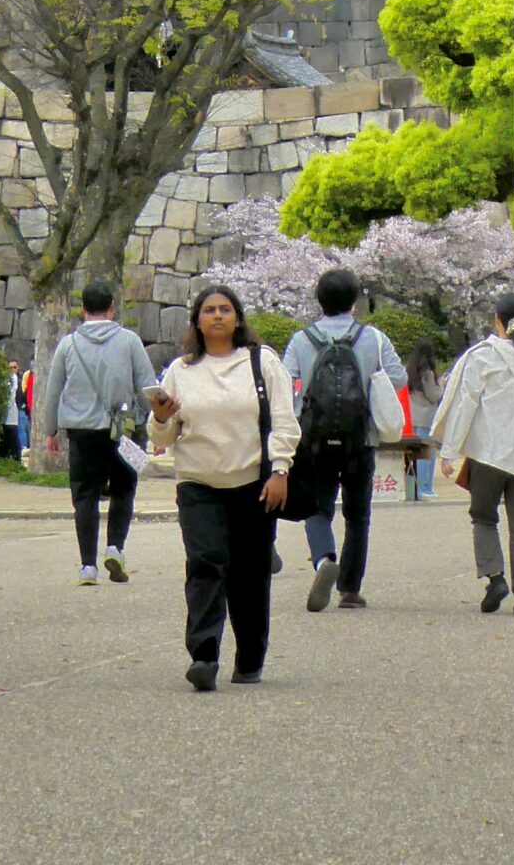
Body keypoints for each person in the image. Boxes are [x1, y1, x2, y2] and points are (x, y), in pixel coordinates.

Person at [147, 284, 297, 691]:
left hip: (253, 483)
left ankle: (250, 659)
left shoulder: (261, 362)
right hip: (198, 483)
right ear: (197, 321)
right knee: (205, 563)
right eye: (209, 310)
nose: (217, 316)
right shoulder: (181, 371)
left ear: (237, 318)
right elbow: (163, 438)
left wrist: (280, 470)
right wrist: (161, 418)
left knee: (250, 574)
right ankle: (204, 655)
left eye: (225, 309)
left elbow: (284, 421)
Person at [429, 292, 514, 614]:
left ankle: (495, 576)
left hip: (488, 454)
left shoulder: (482, 357)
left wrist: (449, 450)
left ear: (496, 320)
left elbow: (465, 404)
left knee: (483, 516)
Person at [282, 266, 403, 612]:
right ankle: (350, 589)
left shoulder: (302, 339)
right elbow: (397, 376)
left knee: (317, 508)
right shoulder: (373, 338)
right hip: (360, 439)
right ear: (354, 301)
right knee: (358, 515)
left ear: (319, 300)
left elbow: (284, 383)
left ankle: (324, 560)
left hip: (314, 440)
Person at [45, 279, 154, 585]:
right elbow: (147, 387)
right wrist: (153, 421)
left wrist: (51, 430)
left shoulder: (68, 345)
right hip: (122, 429)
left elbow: (53, 391)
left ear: (83, 309)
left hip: (81, 431)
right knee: (123, 488)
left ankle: (87, 567)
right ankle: (115, 547)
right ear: (112, 308)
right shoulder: (130, 341)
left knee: (85, 495)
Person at [406, 339, 445, 500]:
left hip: (413, 418)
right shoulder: (427, 373)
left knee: (416, 456)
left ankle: (417, 488)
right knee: (427, 456)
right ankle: (425, 488)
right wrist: (442, 385)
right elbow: (433, 395)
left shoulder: (409, 371)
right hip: (427, 419)